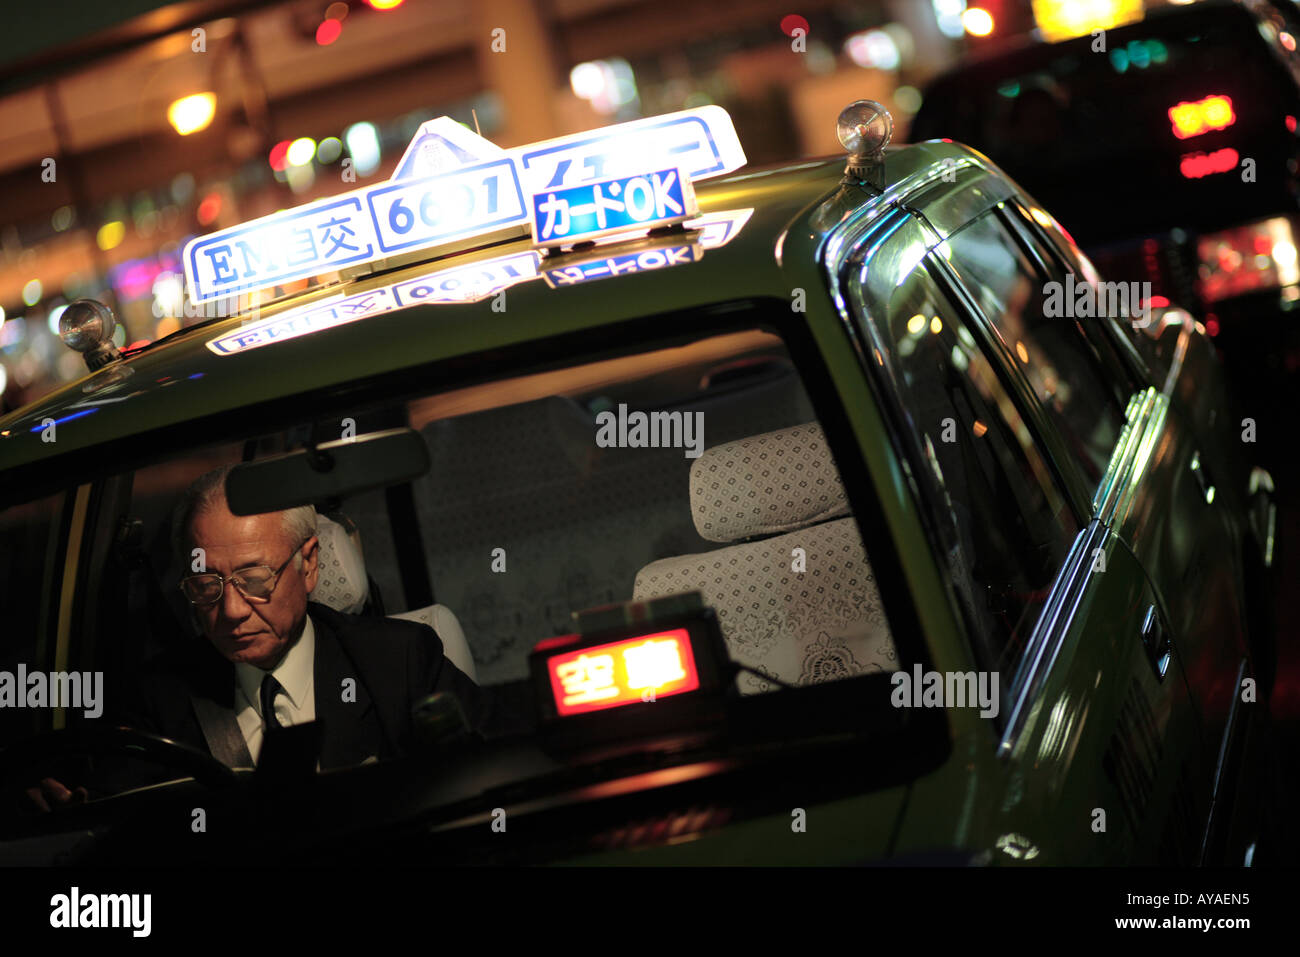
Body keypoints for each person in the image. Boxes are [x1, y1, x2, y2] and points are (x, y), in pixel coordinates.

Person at [28, 465, 504, 810]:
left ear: (310, 563)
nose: (231, 612)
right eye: (206, 585)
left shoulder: (400, 659)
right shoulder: (159, 699)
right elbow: (122, 806)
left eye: (254, 578)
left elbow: (485, 773)